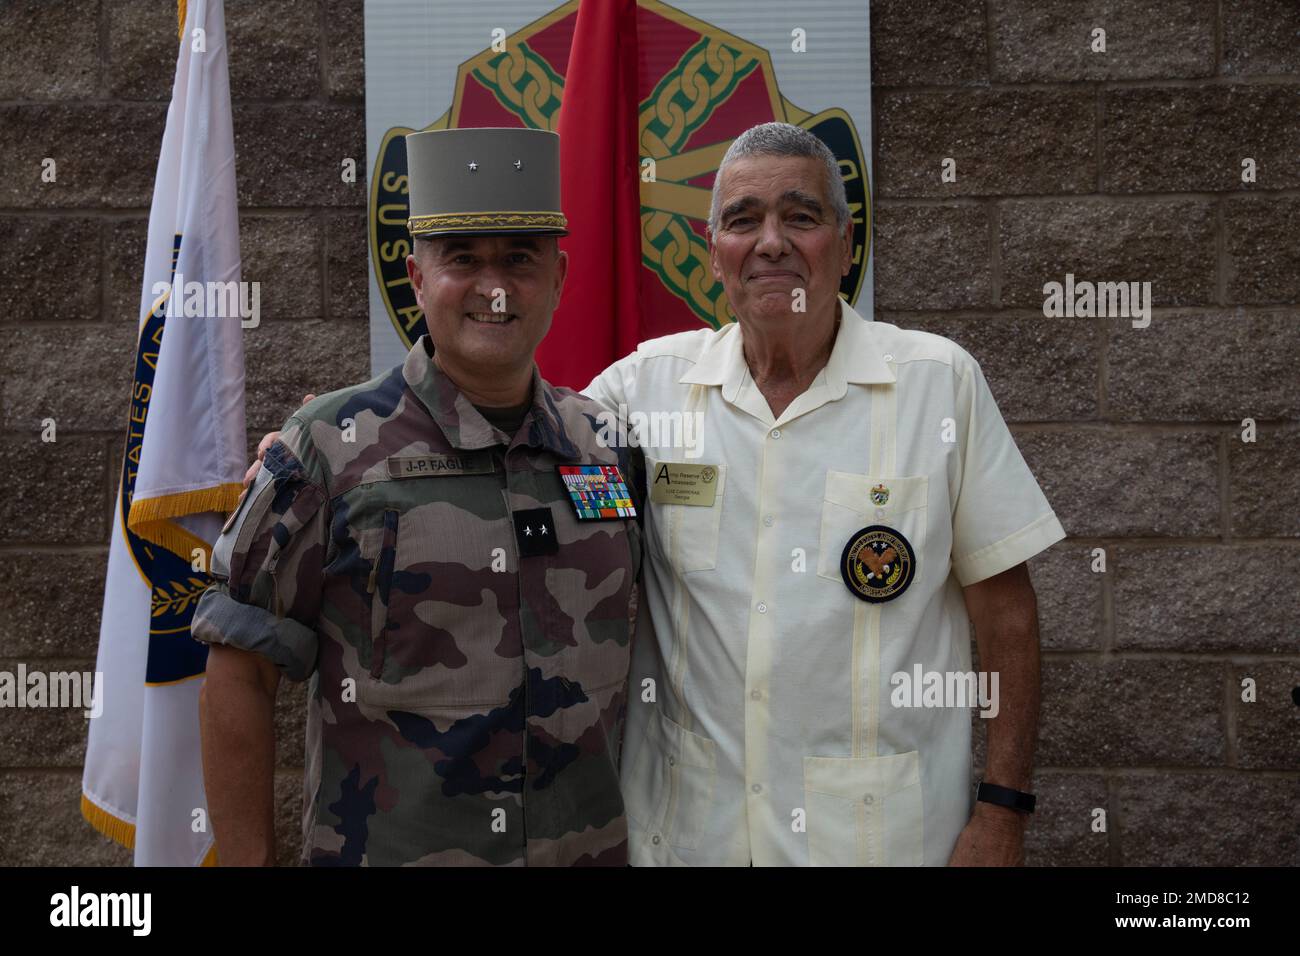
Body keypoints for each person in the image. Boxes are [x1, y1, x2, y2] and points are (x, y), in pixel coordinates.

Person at [251, 121, 1065, 867]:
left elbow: (1008, 615)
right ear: (714, 252)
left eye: (801, 216)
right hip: (689, 842)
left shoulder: (936, 384)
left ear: (846, 244)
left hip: (883, 842)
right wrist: (306, 464)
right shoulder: (643, 395)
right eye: (744, 220)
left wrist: (1002, 810)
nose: (771, 242)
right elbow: (505, 431)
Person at [192, 127, 643, 867]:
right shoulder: (328, 448)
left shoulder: (607, 447)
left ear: (560, 278)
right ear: (416, 276)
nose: (494, 287)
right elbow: (239, 672)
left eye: (520, 261)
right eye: (462, 258)